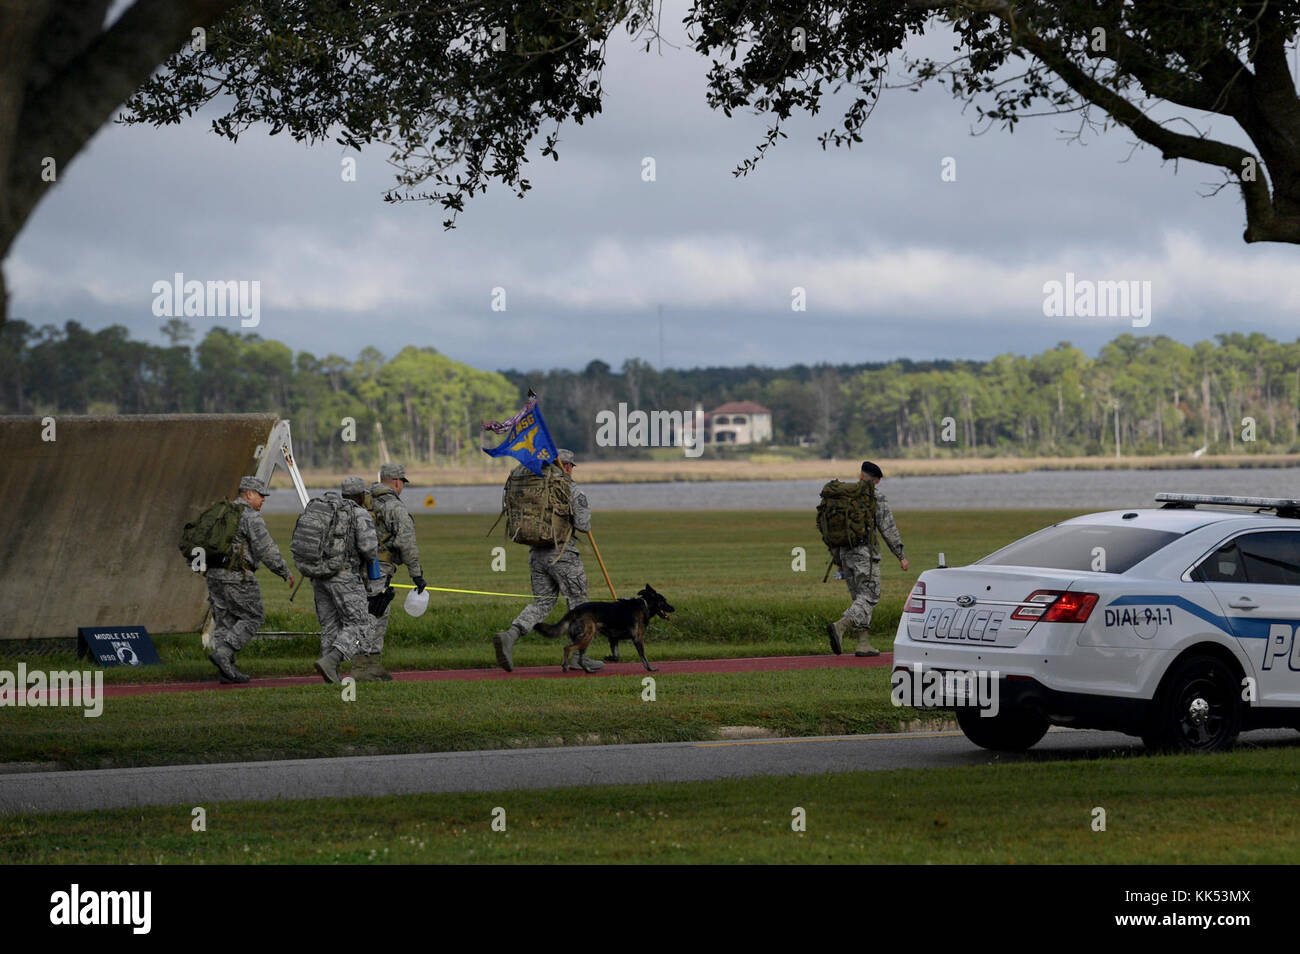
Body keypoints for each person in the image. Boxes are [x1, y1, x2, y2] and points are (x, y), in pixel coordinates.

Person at [492, 448, 604, 673]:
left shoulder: (533, 484)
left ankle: (510, 635)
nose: (571, 470)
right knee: (579, 604)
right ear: (567, 466)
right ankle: (578, 657)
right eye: (570, 466)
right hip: (562, 555)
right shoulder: (570, 487)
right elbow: (583, 524)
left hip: (536, 554)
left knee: (542, 603)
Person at [205, 476, 294, 683]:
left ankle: (226, 671)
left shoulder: (221, 511)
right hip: (238, 576)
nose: (263, 500)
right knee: (253, 616)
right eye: (261, 495)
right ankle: (225, 653)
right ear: (249, 494)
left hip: (214, 575)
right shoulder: (250, 516)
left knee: (224, 621)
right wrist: (283, 571)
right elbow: (266, 549)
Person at [827, 460, 909, 657]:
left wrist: (838, 561)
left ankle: (863, 644)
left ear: (861, 475)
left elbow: (832, 531)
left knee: (859, 598)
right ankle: (840, 626)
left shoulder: (843, 497)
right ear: (877, 481)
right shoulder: (876, 498)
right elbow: (888, 529)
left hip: (844, 555)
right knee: (870, 596)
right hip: (865, 555)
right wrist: (901, 556)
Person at [356, 462, 426, 681]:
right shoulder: (393, 506)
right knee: (374, 615)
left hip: (358, 567)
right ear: (397, 482)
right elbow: (407, 542)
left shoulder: (364, 501)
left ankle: (373, 665)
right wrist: (416, 574)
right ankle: (361, 667)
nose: (402, 487)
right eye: (402, 483)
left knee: (372, 612)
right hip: (380, 567)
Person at [312, 476, 379, 683]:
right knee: (361, 624)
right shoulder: (358, 513)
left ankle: (330, 673)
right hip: (345, 577)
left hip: (319, 576)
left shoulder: (326, 511)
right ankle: (331, 661)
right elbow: (369, 548)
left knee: (330, 625)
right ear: (361, 496)